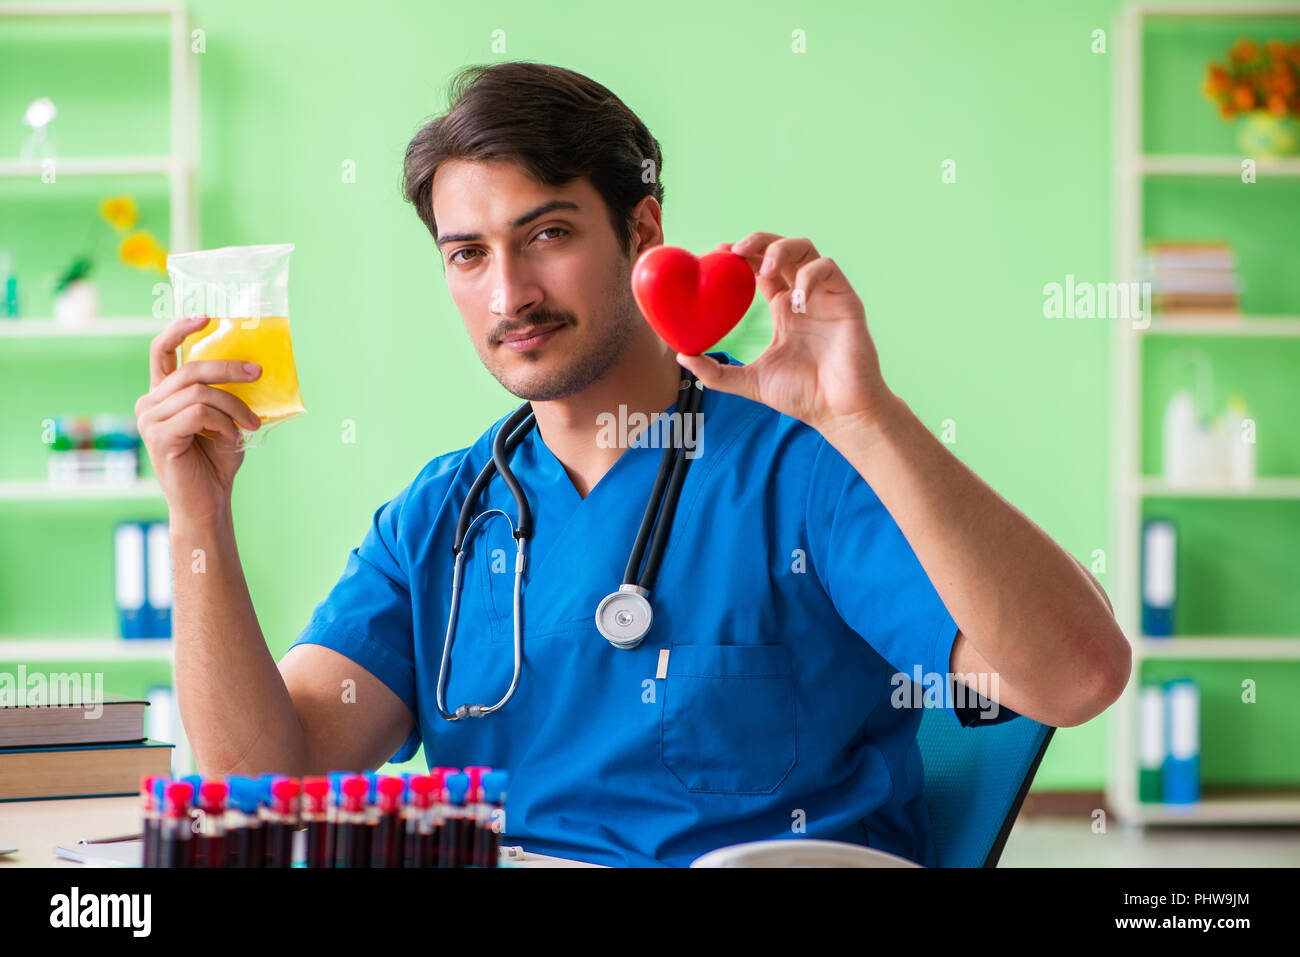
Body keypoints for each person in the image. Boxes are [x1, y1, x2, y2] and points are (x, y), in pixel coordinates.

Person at [134, 61, 1129, 868]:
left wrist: (869, 417)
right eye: (468, 255)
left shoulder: (807, 465)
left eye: (548, 234)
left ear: (642, 232)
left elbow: (1075, 677)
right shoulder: (443, 516)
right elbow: (265, 781)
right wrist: (198, 517)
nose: (508, 294)